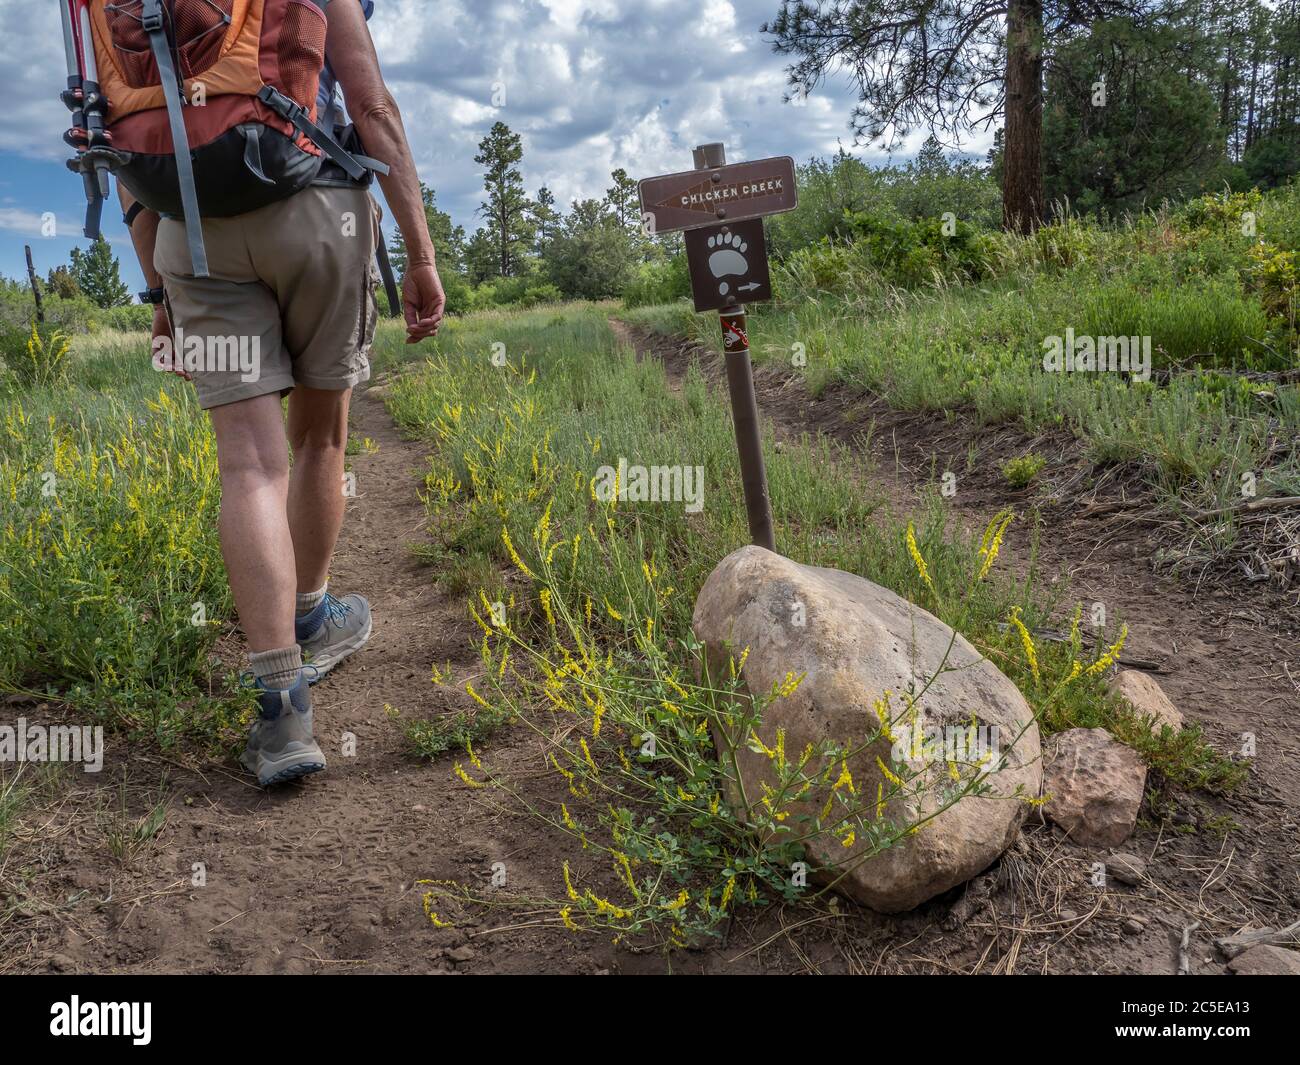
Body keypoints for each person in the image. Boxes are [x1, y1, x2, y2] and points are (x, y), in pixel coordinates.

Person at [119, 0, 445, 786]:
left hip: (191, 230)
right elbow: (371, 108)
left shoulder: (129, 7)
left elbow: (125, 154)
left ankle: (282, 713)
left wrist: (161, 293)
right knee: (320, 438)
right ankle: (312, 615)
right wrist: (421, 253)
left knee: (247, 466)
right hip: (317, 208)